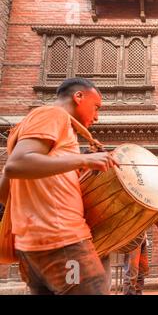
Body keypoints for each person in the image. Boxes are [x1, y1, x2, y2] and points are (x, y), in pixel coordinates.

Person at [0, 77, 117, 295]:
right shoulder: (53, 114)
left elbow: (5, 190)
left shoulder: (24, 127)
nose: (97, 116)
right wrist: (84, 160)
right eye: (96, 107)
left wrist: (77, 170)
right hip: (63, 243)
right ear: (78, 96)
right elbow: (17, 165)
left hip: (33, 250)